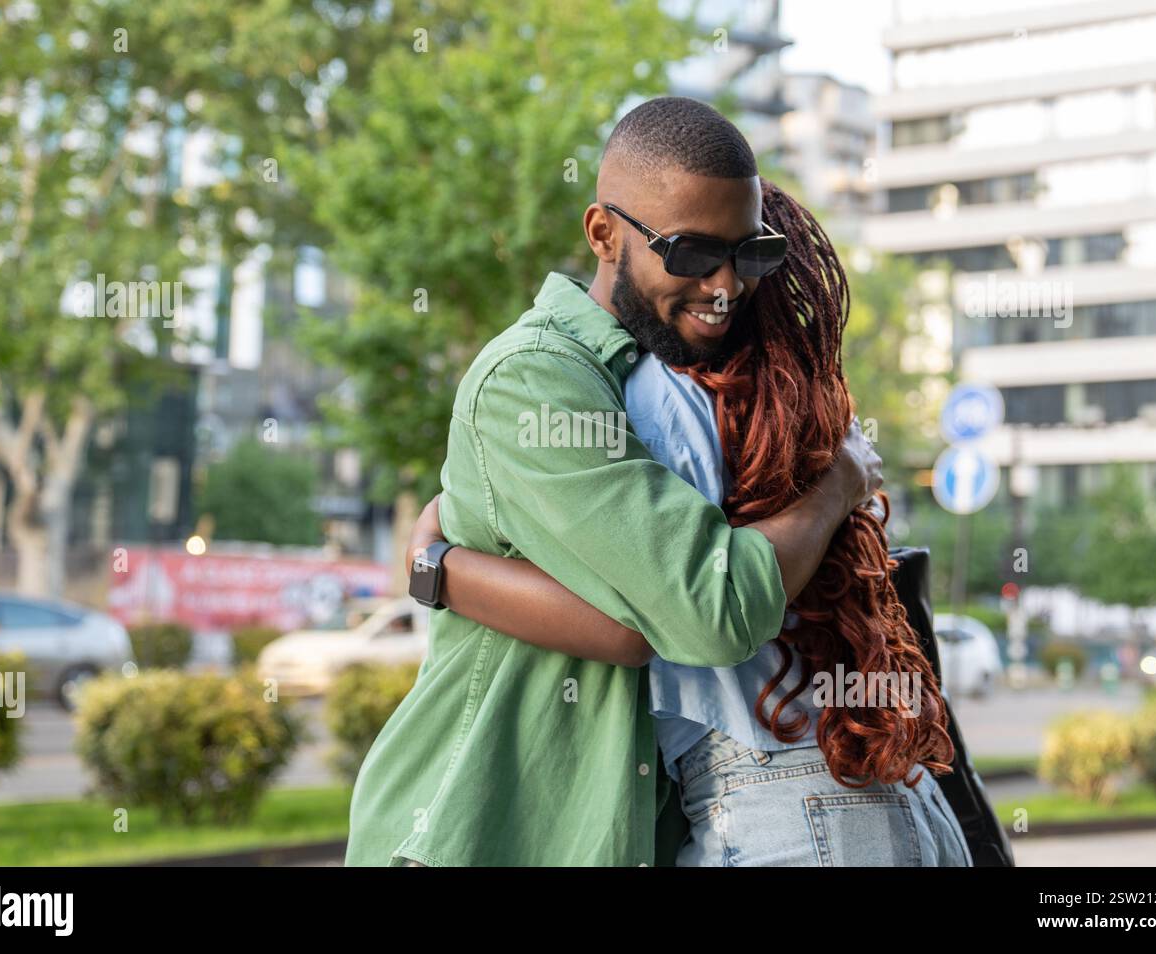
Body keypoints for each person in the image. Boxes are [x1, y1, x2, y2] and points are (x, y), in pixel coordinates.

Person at [345, 96, 916, 867]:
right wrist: (837, 487)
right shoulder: (536, 381)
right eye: (689, 254)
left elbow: (633, 628)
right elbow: (705, 607)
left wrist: (439, 571)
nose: (723, 287)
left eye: (749, 255)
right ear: (603, 233)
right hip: (479, 833)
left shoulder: (681, 381)